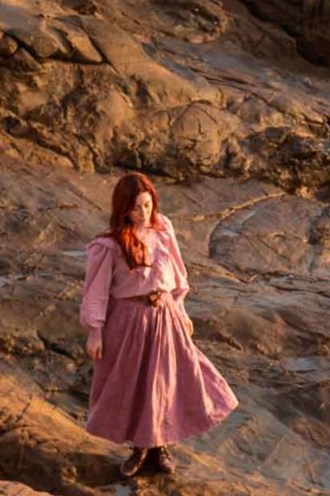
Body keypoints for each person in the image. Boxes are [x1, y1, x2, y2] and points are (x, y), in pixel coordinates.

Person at [80, 172, 237, 480]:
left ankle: (160, 445)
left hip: (165, 316)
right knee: (134, 384)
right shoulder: (108, 245)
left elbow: (177, 274)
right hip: (128, 320)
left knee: (166, 382)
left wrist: (181, 309)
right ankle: (140, 448)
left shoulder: (163, 229)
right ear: (123, 208)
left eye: (148, 205)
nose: (144, 213)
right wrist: (95, 331)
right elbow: (95, 291)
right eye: (137, 207)